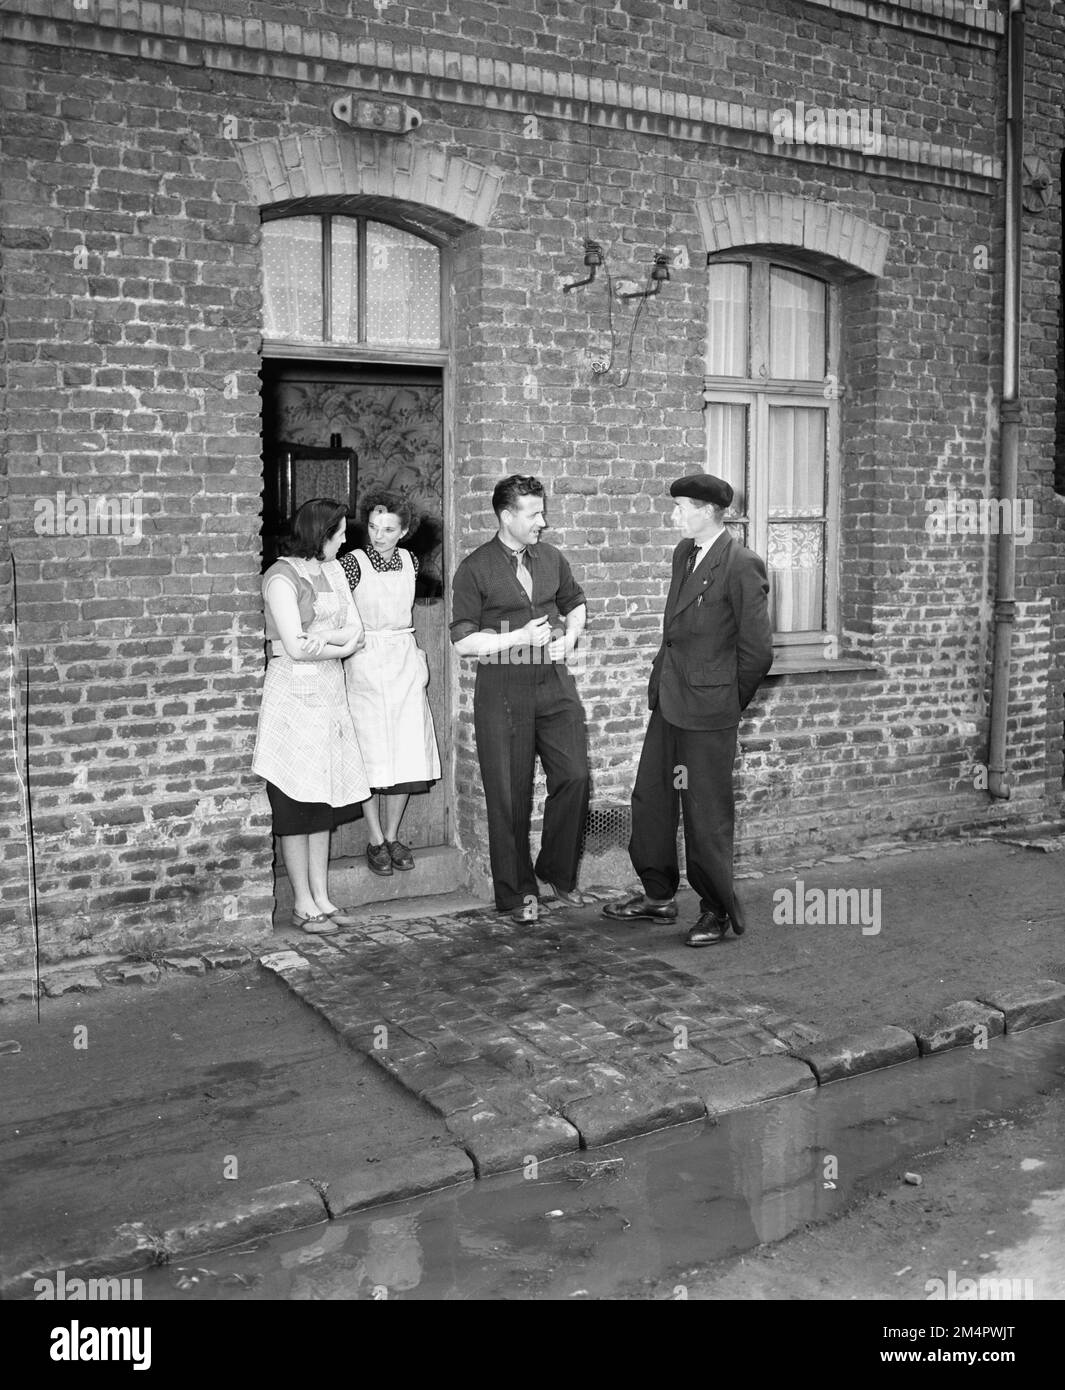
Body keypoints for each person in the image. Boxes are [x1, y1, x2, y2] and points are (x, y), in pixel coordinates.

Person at [603, 473, 773, 946]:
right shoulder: (685, 553)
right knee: (651, 800)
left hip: (709, 713)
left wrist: (723, 700)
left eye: (681, 507)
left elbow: (758, 652)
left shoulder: (742, 565)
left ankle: (715, 911)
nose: (674, 515)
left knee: (705, 813)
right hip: (671, 703)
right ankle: (657, 895)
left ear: (707, 511)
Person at [450, 475, 591, 925]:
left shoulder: (550, 558)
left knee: (574, 776)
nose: (543, 522)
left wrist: (569, 638)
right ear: (506, 516)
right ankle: (517, 896)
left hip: (552, 681)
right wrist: (515, 637)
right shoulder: (474, 568)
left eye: (542, 512)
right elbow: (462, 642)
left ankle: (556, 874)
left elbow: (575, 603)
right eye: (533, 514)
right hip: (502, 687)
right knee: (508, 797)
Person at [252, 497, 370, 933]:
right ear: (318, 534)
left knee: (323, 799)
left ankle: (322, 894)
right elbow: (295, 647)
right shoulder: (281, 576)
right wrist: (332, 642)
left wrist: (325, 641)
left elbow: (355, 633)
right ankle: (302, 902)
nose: (344, 540)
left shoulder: (335, 571)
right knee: (296, 802)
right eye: (338, 533)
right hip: (293, 696)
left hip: (328, 691)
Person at [340, 491, 441, 876]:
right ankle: (375, 837)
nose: (378, 536)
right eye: (373, 527)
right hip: (365, 657)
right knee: (369, 752)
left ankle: (394, 835)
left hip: (401, 656)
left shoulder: (410, 561)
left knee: (405, 751)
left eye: (388, 529)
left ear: (403, 532)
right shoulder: (353, 563)